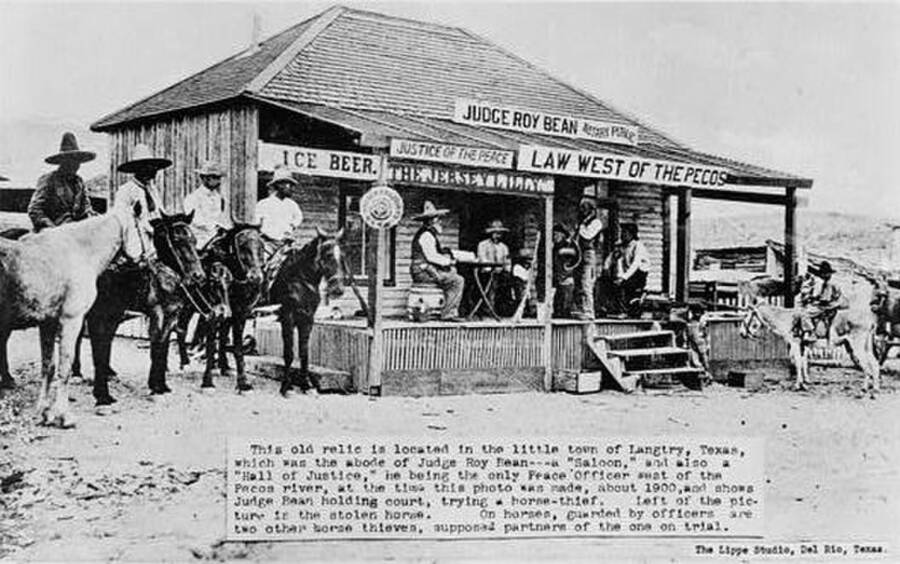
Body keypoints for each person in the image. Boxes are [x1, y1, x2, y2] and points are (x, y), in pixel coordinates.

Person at [28, 132, 96, 232]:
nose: (75, 165)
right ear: (63, 162)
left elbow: (86, 208)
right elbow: (35, 209)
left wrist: (93, 217)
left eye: (77, 161)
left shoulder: (79, 182)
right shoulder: (49, 180)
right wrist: (50, 227)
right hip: (52, 230)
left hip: (74, 229)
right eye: (71, 161)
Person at [114, 143, 172, 258]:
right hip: (135, 237)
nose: (152, 171)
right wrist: (133, 212)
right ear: (137, 169)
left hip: (155, 237)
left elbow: (159, 211)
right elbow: (120, 217)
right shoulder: (126, 190)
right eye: (146, 167)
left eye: (152, 167)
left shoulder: (152, 189)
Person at [410, 201, 465, 321]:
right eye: (438, 220)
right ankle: (448, 313)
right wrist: (449, 262)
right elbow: (432, 257)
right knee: (457, 280)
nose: (440, 222)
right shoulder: (426, 235)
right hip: (423, 272)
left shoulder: (428, 234)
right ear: (431, 221)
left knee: (452, 273)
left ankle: (446, 310)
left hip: (425, 270)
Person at [255, 167, 303, 260]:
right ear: (279, 185)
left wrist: (292, 226)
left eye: (292, 185)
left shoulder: (292, 205)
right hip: (267, 245)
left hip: (286, 245)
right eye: (288, 185)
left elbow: (299, 217)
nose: (292, 188)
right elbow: (256, 223)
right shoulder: (264, 204)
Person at [183, 160, 230, 249]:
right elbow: (196, 220)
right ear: (204, 178)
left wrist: (224, 227)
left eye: (219, 178)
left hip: (218, 236)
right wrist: (214, 227)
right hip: (200, 238)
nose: (218, 181)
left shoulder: (219, 198)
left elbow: (223, 217)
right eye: (214, 178)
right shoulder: (193, 198)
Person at [572, 191, 603, 320]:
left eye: (585, 208)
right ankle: (580, 308)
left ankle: (589, 311)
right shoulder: (583, 222)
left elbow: (587, 235)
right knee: (578, 282)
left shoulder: (596, 223)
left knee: (586, 283)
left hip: (588, 254)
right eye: (581, 209)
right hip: (578, 253)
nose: (583, 211)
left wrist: (580, 226)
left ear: (591, 210)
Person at [799, 261, 844, 341]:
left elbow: (824, 299)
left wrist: (813, 299)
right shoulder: (830, 282)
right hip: (832, 303)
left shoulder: (829, 284)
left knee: (804, 314)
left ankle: (811, 332)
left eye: (824, 273)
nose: (823, 275)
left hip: (827, 306)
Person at [476, 219, 513, 316]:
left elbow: (507, 261)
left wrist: (506, 269)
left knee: (507, 282)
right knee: (491, 282)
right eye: (495, 233)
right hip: (486, 272)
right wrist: (490, 268)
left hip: (499, 272)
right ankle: (488, 309)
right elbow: (482, 258)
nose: (497, 236)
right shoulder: (483, 245)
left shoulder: (504, 247)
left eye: (499, 234)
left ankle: (503, 309)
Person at [614, 223, 650, 316]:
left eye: (625, 233)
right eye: (622, 232)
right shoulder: (622, 246)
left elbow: (635, 264)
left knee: (622, 286)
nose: (622, 235)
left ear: (632, 234)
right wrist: (619, 276)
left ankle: (624, 311)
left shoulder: (638, 246)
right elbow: (618, 260)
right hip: (628, 273)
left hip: (639, 274)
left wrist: (623, 278)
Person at [552, 224, 576, 318]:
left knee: (566, 299)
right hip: (558, 277)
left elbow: (573, 259)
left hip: (567, 277)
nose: (554, 237)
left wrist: (566, 273)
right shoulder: (555, 247)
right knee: (558, 300)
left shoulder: (568, 246)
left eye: (556, 234)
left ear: (562, 235)